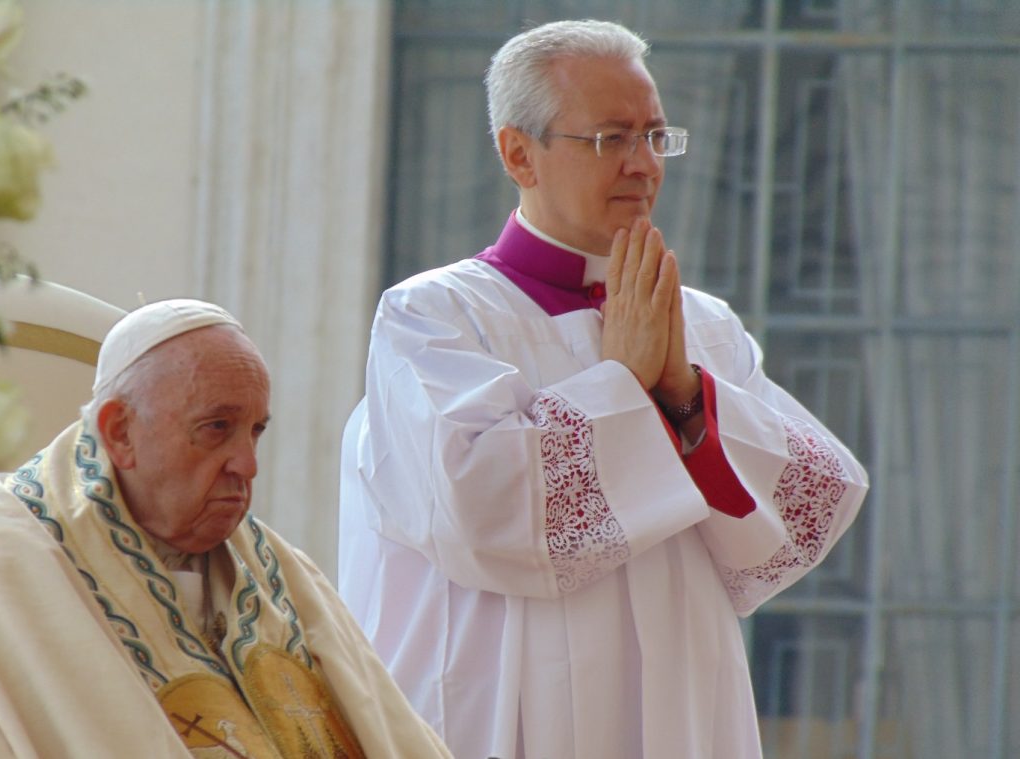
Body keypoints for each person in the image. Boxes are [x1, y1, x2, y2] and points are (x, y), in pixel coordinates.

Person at [338, 18, 869, 759]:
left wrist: (684, 393)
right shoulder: (434, 317)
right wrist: (622, 384)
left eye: (655, 136)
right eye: (612, 138)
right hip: (500, 709)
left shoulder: (702, 325)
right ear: (518, 153)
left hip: (680, 707)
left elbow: (808, 506)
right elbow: (479, 507)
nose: (643, 164)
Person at [0, 299, 452, 758]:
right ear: (120, 432)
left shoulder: (281, 576)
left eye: (255, 431)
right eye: (217, 428)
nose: (247, 464)